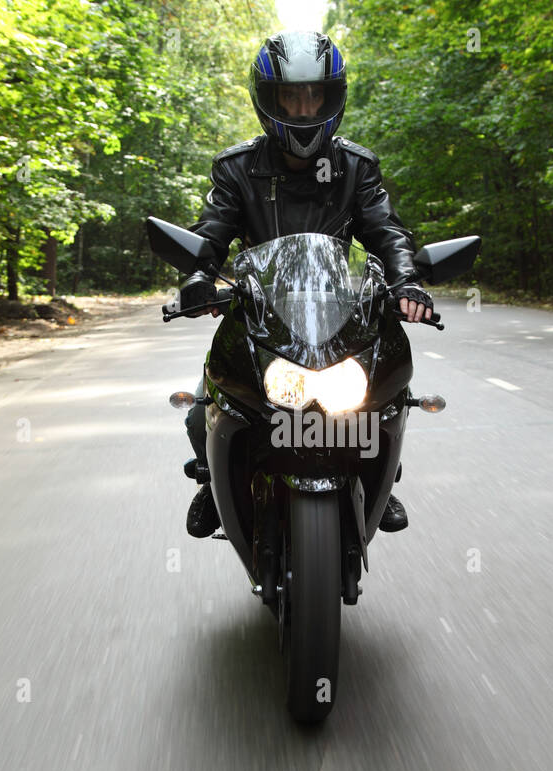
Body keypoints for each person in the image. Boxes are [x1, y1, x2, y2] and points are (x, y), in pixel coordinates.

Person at [179, 30, 434, 539]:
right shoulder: (237, 169)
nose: (303, 107)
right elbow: (210, 234)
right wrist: (197, 276)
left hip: (339, 309)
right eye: (291, 96)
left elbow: (386, 232)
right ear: (268, 99)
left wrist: (406, 281)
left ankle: (377, 474)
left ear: (332, 96)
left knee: (383, 392)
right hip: (257, 308)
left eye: (314, 94)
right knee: (208, 399)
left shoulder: (356, 167)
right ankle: (213, 478)